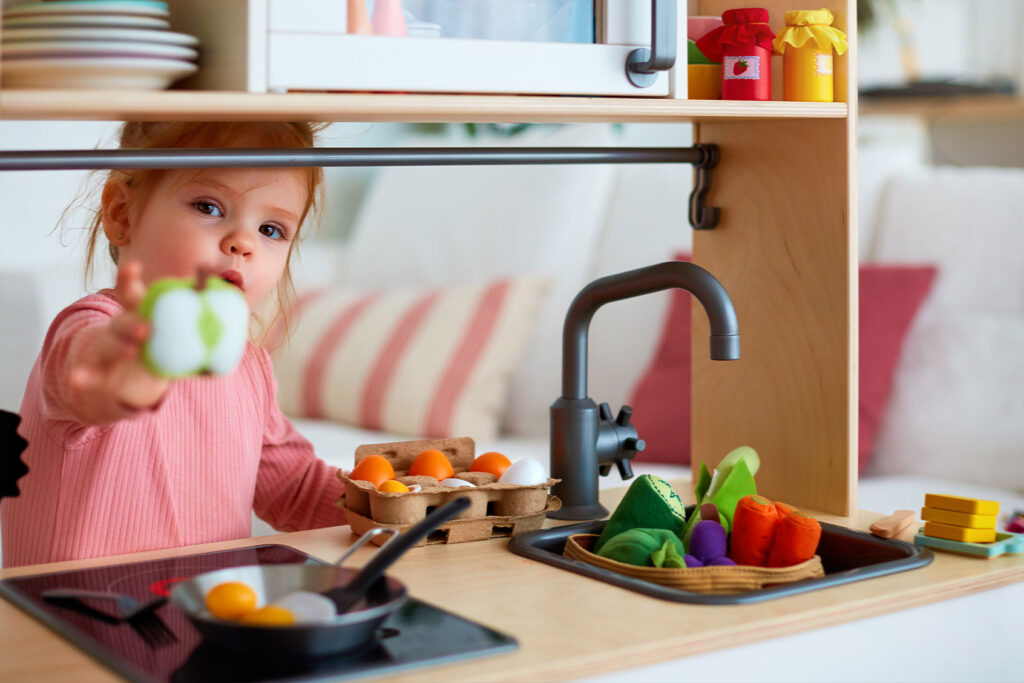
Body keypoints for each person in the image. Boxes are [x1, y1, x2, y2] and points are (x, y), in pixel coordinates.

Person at [1, 122, 348, 568]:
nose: (243, 243)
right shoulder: (97, 327)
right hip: (76, 624)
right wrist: (121, 377)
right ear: (122, 214)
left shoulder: (247, 365)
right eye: (209, 206)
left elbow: (294, 489)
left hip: (204, 620)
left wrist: (390, 501)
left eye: (271, 229)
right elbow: (86, 377)